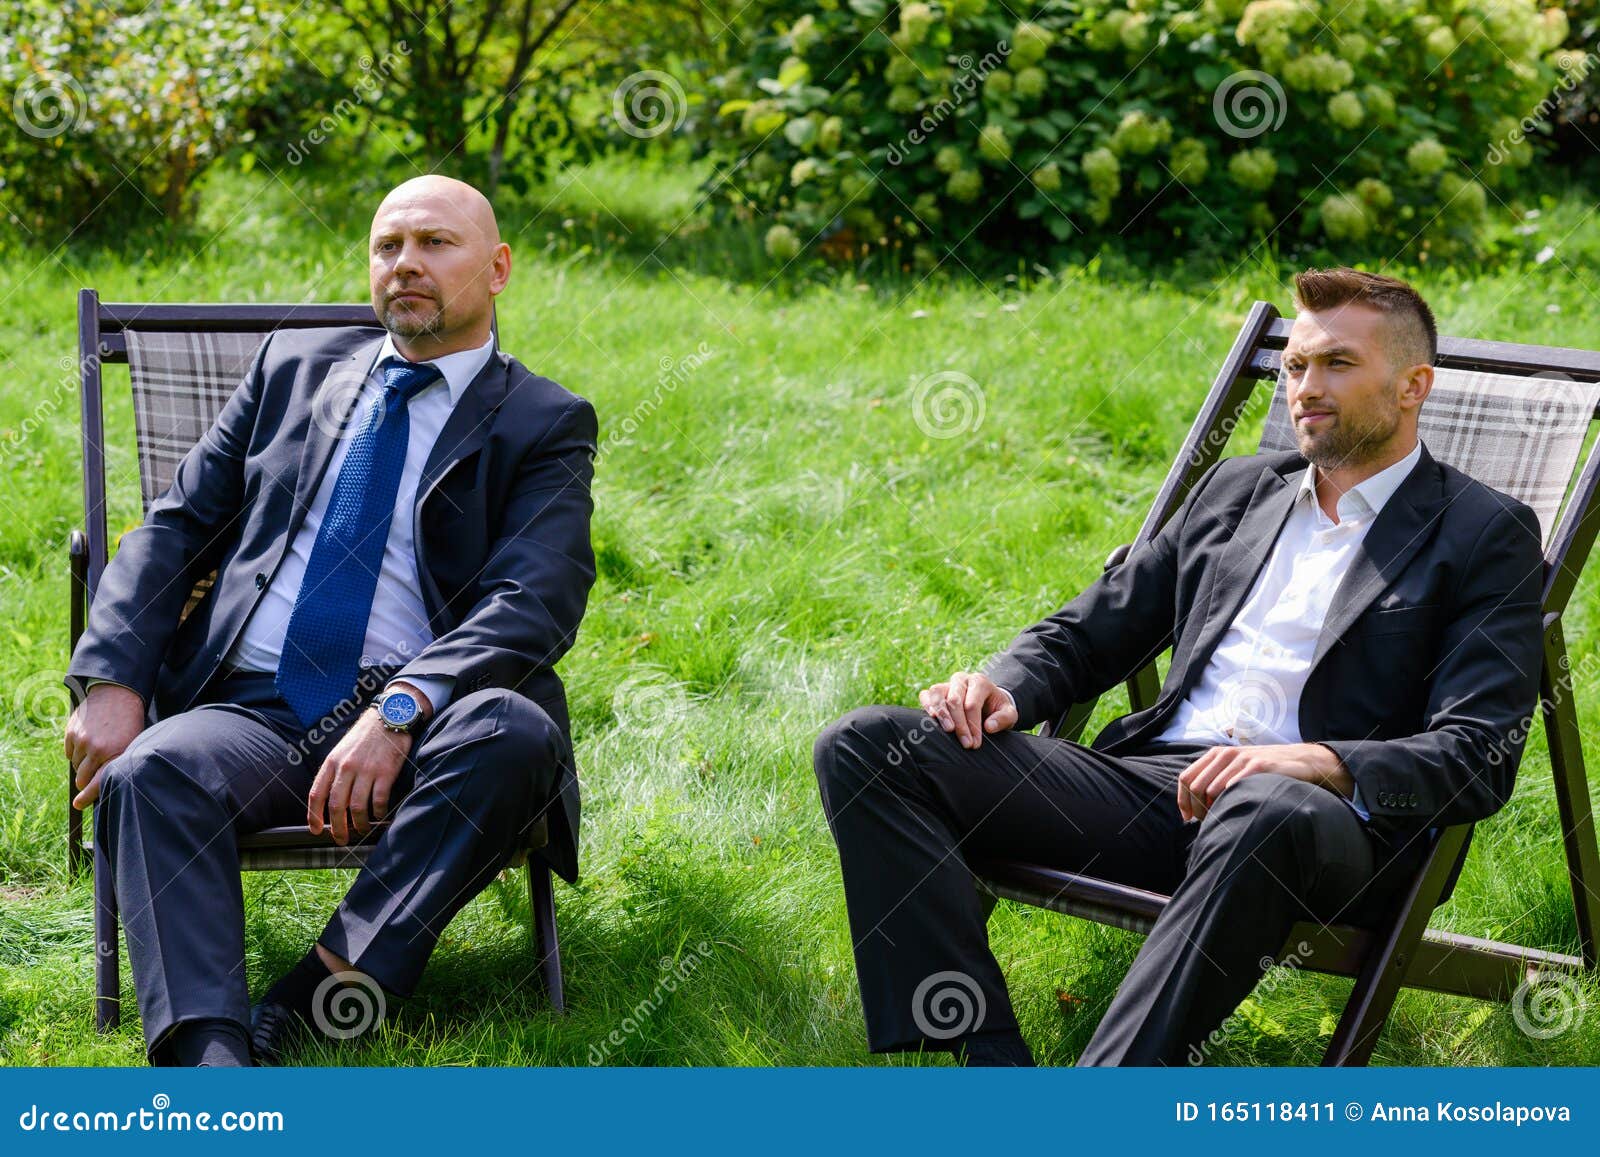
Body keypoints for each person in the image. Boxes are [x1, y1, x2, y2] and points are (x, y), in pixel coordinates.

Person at [813, 267, 1544, 1066]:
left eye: (1338, 363)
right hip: (1157, 788)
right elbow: (1091, 630)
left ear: (1413, 386)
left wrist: (1312, 761)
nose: (1305, 387)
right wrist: (1003, 685)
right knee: (867, 746)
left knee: (1264, 804)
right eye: (1295, 365)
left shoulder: (1483, 533)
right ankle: (993, 1071)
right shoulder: (1239, 490)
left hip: (1323, 825)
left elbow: (1479, 753)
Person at [62, 175, 597, 1066]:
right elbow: (175, 527)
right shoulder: (294, 368)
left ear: (498, 268)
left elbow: (534, 600)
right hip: (254, 709)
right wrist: (112, 678)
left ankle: (319, 993)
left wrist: (400, 709)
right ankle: (211, 1062)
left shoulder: (543, 420)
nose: (406, 264)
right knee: (152, 772)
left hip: (430, 717)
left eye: (435, 243)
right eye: (388, 246)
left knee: (515, 734)